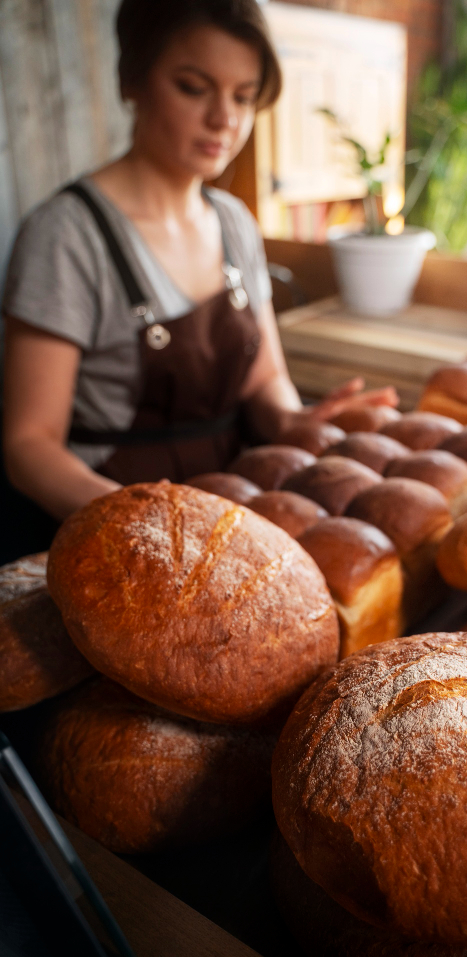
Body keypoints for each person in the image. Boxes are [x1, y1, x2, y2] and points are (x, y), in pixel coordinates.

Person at [1, 0, 396, 559]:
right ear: (133, 80)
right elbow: (28, 446)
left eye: (243, 96)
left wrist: (295, 419)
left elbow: (264, 382)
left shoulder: (235, 222)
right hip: (108, 532)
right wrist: (141, 520)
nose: (224, 119)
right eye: (193, 87)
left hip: (231, 520)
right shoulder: (65, 234)